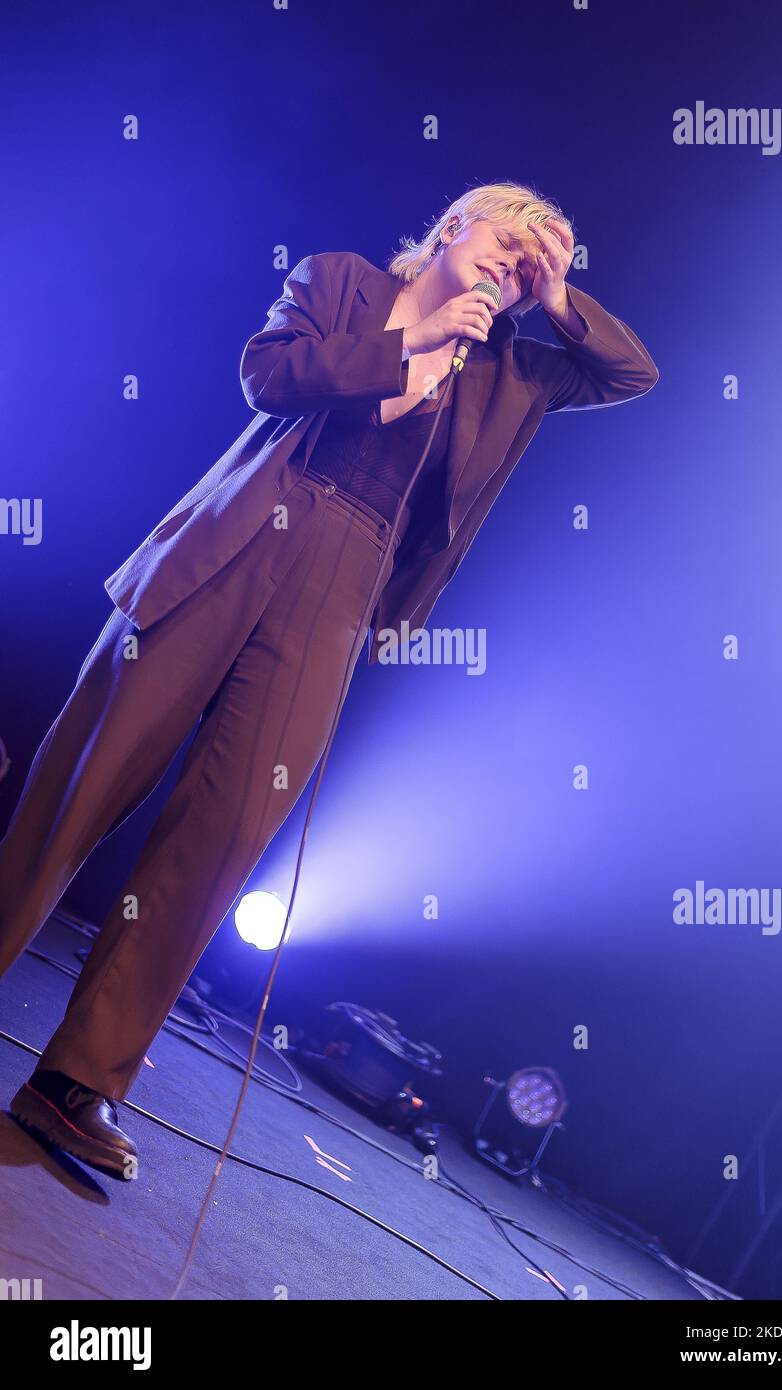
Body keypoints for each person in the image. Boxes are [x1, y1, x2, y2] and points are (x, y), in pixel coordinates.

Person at [0, 181, 659, 1178]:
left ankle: (75, 1080)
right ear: (451, 224)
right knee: (81, 784)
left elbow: (630, 371)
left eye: (538, 266)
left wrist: (559, 298)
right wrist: (415, 337)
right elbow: (268, 376)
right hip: (233, 545)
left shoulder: (517, 372)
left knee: (221, 840)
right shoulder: (340, 282)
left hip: (340, 593)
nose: (516, 268)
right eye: (510, 242)